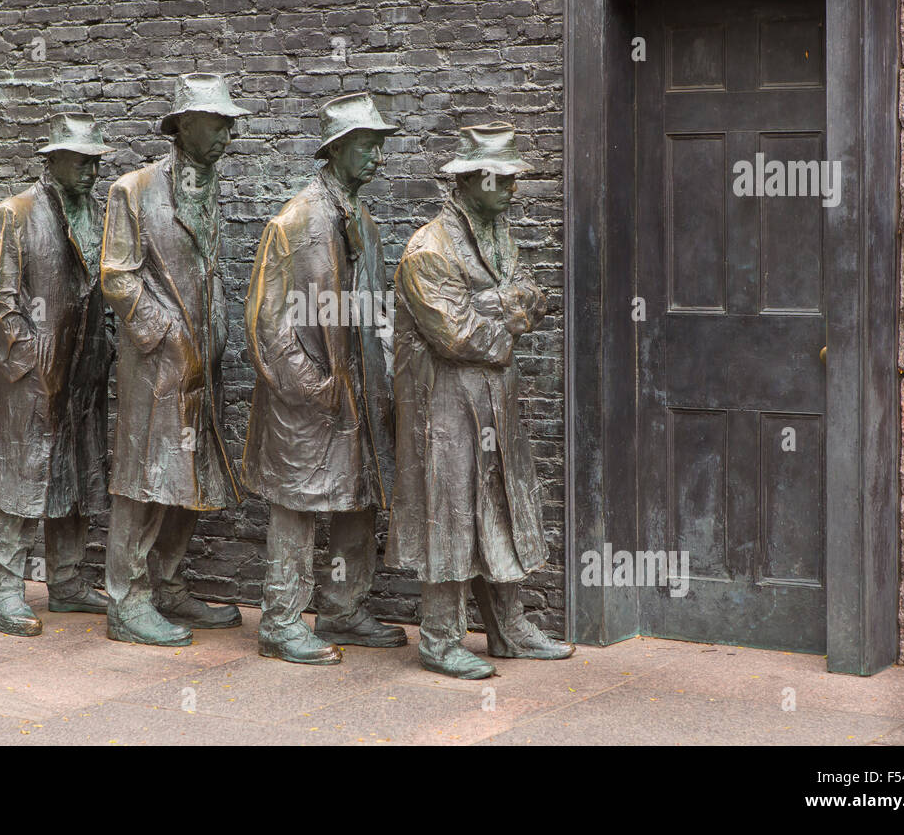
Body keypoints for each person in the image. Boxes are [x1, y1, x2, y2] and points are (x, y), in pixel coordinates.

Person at [387, 121, 575, 678]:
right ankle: (441, 637)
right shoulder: (428, 250)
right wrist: (505, 309)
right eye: (500, 178)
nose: (512, 188)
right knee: (449, 513)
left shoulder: (500, 236)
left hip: (493, 400)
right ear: (468, 181)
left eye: (513, 177)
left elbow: (533, 299)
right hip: (443, 406)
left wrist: (499, 304)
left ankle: (508, 627)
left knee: (501, 504)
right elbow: (459, 335)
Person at [242, 92, 408, 665]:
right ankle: (282, 620)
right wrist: (312, 386)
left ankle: (342, 606)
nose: (377, 157)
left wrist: (383, 375)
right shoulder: (295, 222)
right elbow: (269, 322)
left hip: (360, 392)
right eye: (367, 145)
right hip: (307, 400)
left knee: (359, 499)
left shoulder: (365, 222)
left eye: (380, 146)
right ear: (336, 150)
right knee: (296, 505)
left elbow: (376, 310)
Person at [100, 74, 249, 646]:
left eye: (229, 125)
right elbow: (117, 274)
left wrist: (212, 336)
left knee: (190, 475)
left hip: (201, 365)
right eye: (216, 123)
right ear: (183, 126)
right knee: (144, 479)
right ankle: (127, 600)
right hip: (157, 364)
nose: (225, 135)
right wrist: (164, 331)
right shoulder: (132, 190)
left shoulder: (211, 187)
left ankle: (167, 583)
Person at [0, 113, 115, 636]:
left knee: (77, 471)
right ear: (51, 159)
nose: (90, 170)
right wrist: (31, 362)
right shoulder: (13, 214)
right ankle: (6, 588)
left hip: (84, 368)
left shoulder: (97, 215)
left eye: (96, 162)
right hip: (33, 377)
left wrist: (100, 347)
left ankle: (68, 580)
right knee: (25, 475)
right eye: (80, 160)